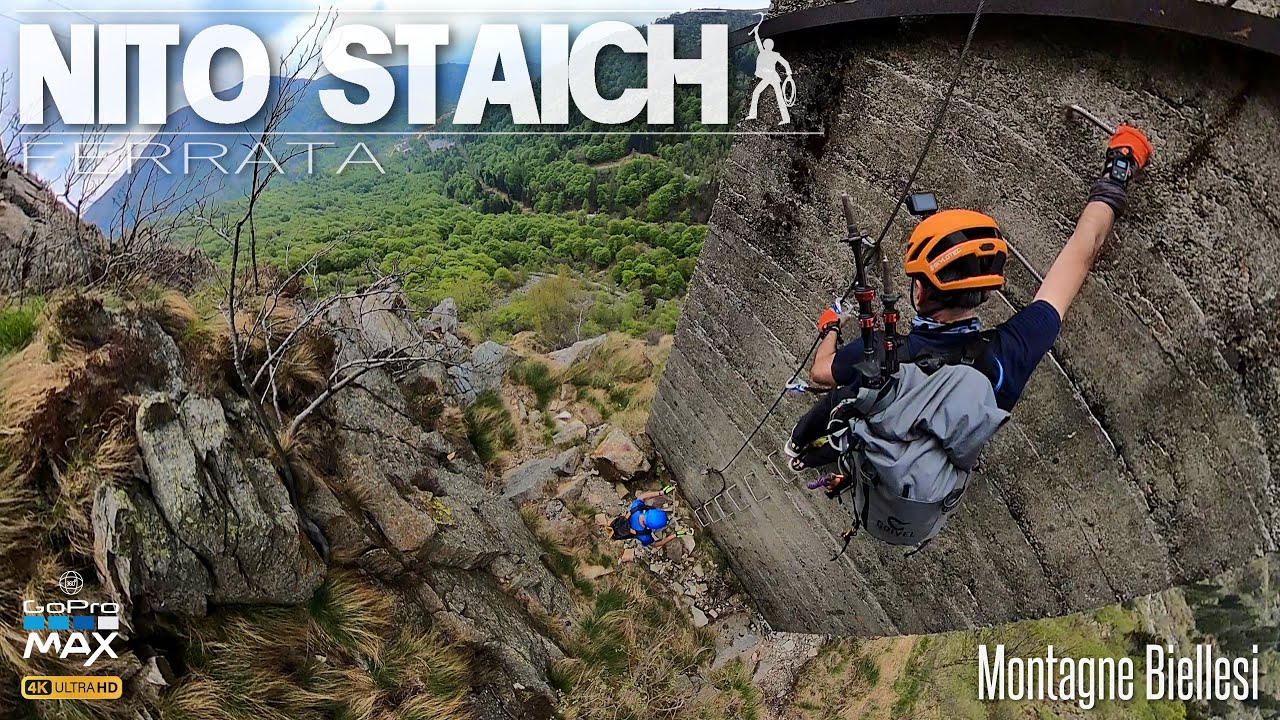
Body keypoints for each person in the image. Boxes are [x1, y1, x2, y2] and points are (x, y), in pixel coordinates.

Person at [786, 124, 1154, 472]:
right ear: (986, 291)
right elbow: (1083, 250)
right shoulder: (1009, 355)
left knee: (840, 401)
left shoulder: (882, 350)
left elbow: (821, 371)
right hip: (929, 475)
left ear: (919, 291)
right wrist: (1115, 177)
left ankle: (797, 447)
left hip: (881, 450)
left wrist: (830, 327)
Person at [609, 485, 684, 551]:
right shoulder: (644, 536)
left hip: (635, 525)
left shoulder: (636, 508)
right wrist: (675, 535)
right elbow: (655, 544)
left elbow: (642, 497)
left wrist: (661, 493)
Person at [746, 32, 794, 125]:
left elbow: (785, 63)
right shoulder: (767, 53)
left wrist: (789, 74)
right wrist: (756, 33)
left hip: (771, 77)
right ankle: (753, 114)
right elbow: (786, 63)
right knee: (776, 96)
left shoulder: (769, 53)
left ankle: (753, 114)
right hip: (771, 76)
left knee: (758, 93)